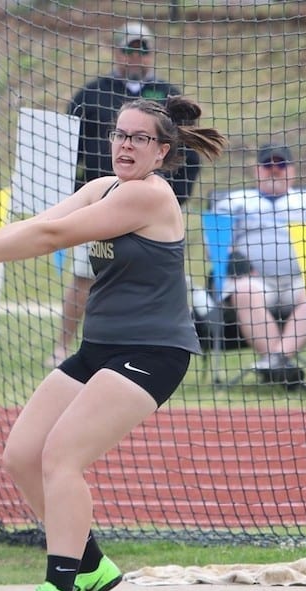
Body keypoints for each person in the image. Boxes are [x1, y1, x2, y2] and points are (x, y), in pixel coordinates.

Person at [0, 97, 225, 591]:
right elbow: (39, 221)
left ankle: (60, 590)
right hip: (100, 348)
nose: (126, 145)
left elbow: (54, 238)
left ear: (162, 152)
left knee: (61, 456)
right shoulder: (100, 188)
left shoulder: (151, 197)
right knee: (22, 454)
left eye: (140, 139)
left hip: (153, 352)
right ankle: (90, 566)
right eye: (120, 134)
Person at [49, 21, 201, 367]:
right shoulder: (92, 93)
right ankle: (63, 346)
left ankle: (145, 348)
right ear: (116, 51)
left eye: (142, 49)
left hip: (150, 211)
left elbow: (189, 156)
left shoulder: (167, 94)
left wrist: (171, 200)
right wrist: (81, 197)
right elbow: (64, 150)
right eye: (129, 49)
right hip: (99, 206)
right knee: (85, 277)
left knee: (150, 281)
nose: (136, 56)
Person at [213, 143, 306, 390]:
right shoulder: (235, 201)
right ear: (257, 170)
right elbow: (217, 239)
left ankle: (276, 360)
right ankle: (284, 370)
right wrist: (233, 257)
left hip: (299, 281)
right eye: (268, 165)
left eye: (281, 164)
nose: (274, 170)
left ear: (291, 170)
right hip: (254, 281)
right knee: (244, 290)